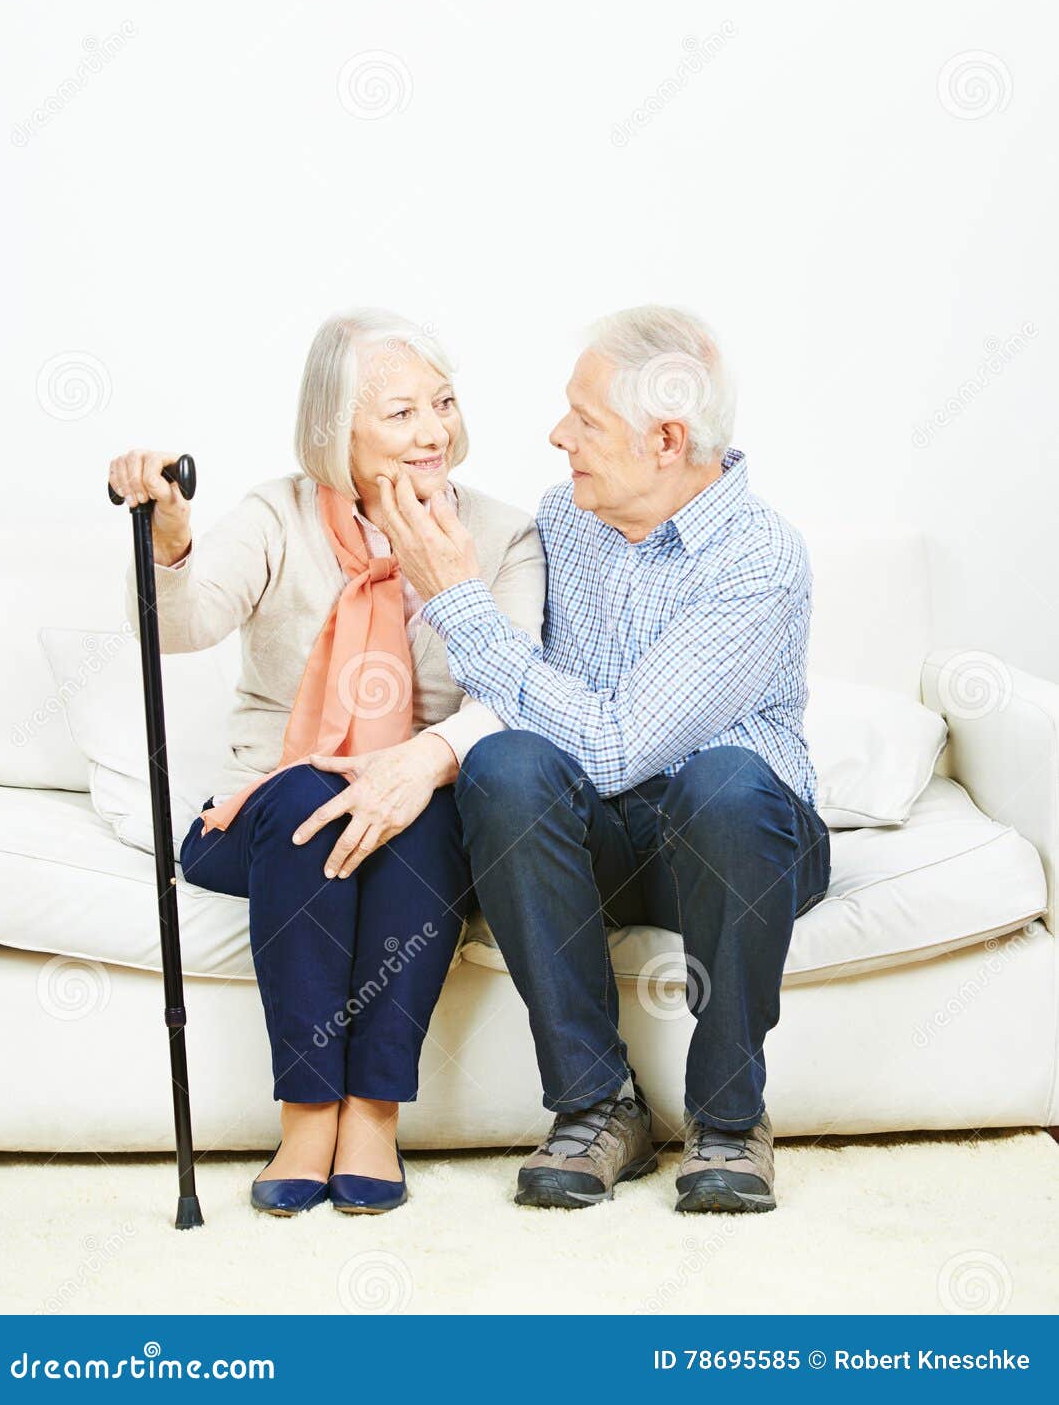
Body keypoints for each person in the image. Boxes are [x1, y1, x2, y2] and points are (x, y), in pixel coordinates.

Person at [373, 304, 829, 1215]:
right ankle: (597, 1107)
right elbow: (543, 722)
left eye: (585, 421)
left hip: (741, 847)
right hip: (605, 844)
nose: (557, 436)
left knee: (725, 783)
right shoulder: (565, 519)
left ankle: (731, 1122)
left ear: (666, 439)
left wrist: (458, 599)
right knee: (505, 766)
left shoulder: (759, 556)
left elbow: (618, 745)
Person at [109, 310, 544, 1217]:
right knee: (316, 796)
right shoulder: (277, 515)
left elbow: (515, 694)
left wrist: (413, 764)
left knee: (417, 809)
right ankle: (307, 1110)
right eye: (401, 413)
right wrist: (171, 539)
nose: (434, 432)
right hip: (264, 817)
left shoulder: (502, 536)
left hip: (421, 814)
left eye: (445, 404)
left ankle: (372, 1114)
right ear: (331, 427)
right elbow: (184, 625)